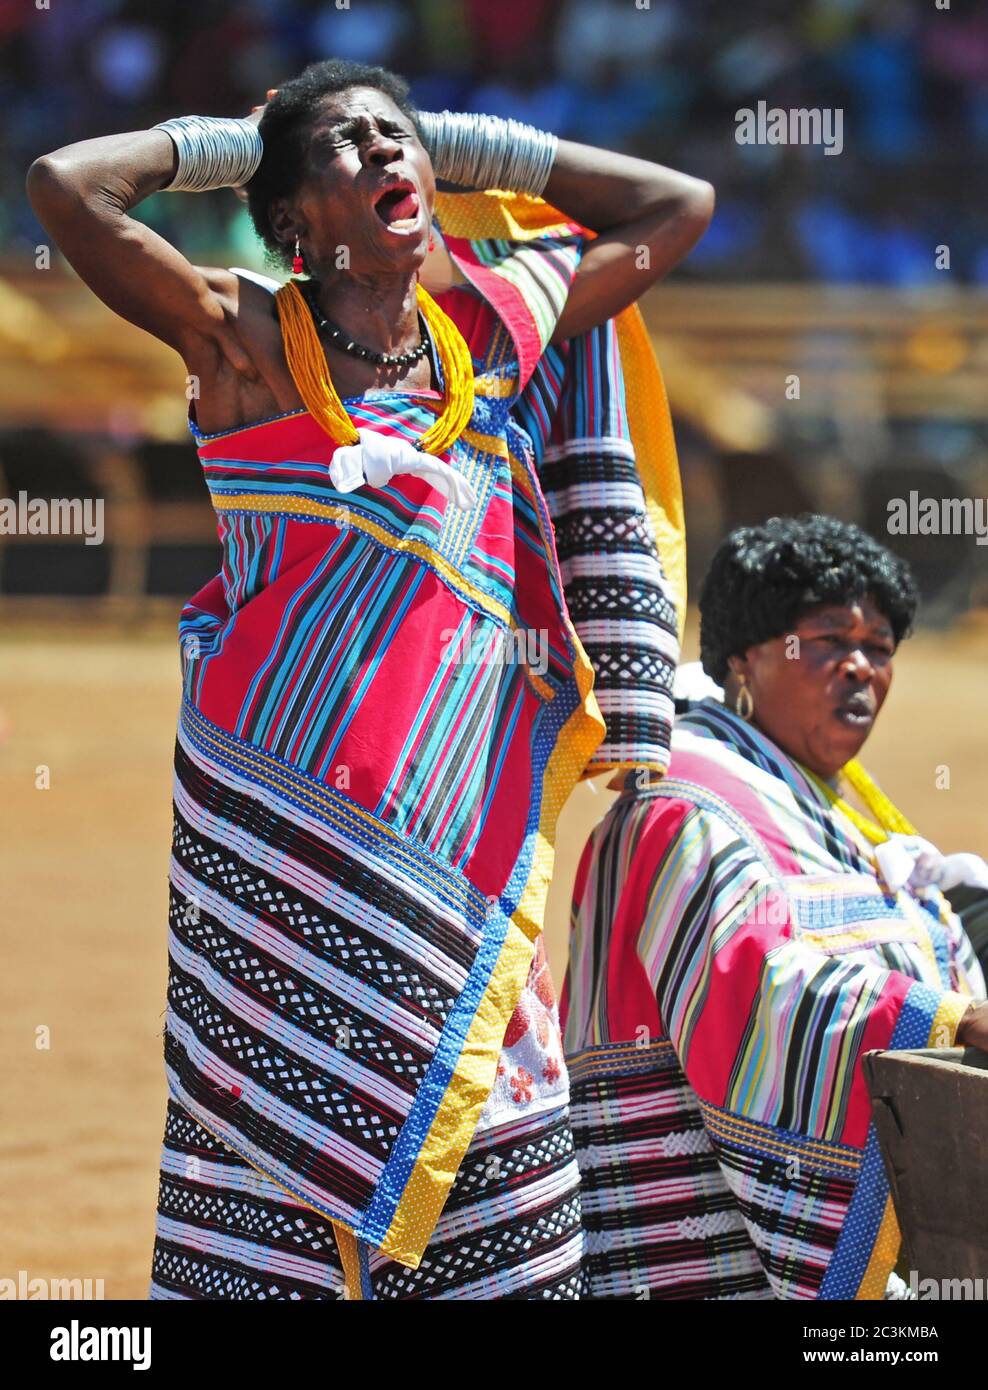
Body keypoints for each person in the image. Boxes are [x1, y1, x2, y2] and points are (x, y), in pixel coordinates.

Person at [28, 57, 712, 1300]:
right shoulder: (246, 338)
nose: (385, 154)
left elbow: (676, 206)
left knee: (485, 1118)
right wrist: (239, 144)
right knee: (259, 1127)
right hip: (274, 834)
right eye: (344, 147)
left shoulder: (488, 336)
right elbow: (67, 187)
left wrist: (446, 136)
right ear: (291, 219)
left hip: (457, 848)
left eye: (396, 139)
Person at [562, 514, 988, 1300]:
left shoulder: (832, 812)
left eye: (880, 648)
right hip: (699, 1258)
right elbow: (756, 988)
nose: (861, 667)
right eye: (828, 640)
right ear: (743, 657)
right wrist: (951, 1021)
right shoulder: (684, 800)